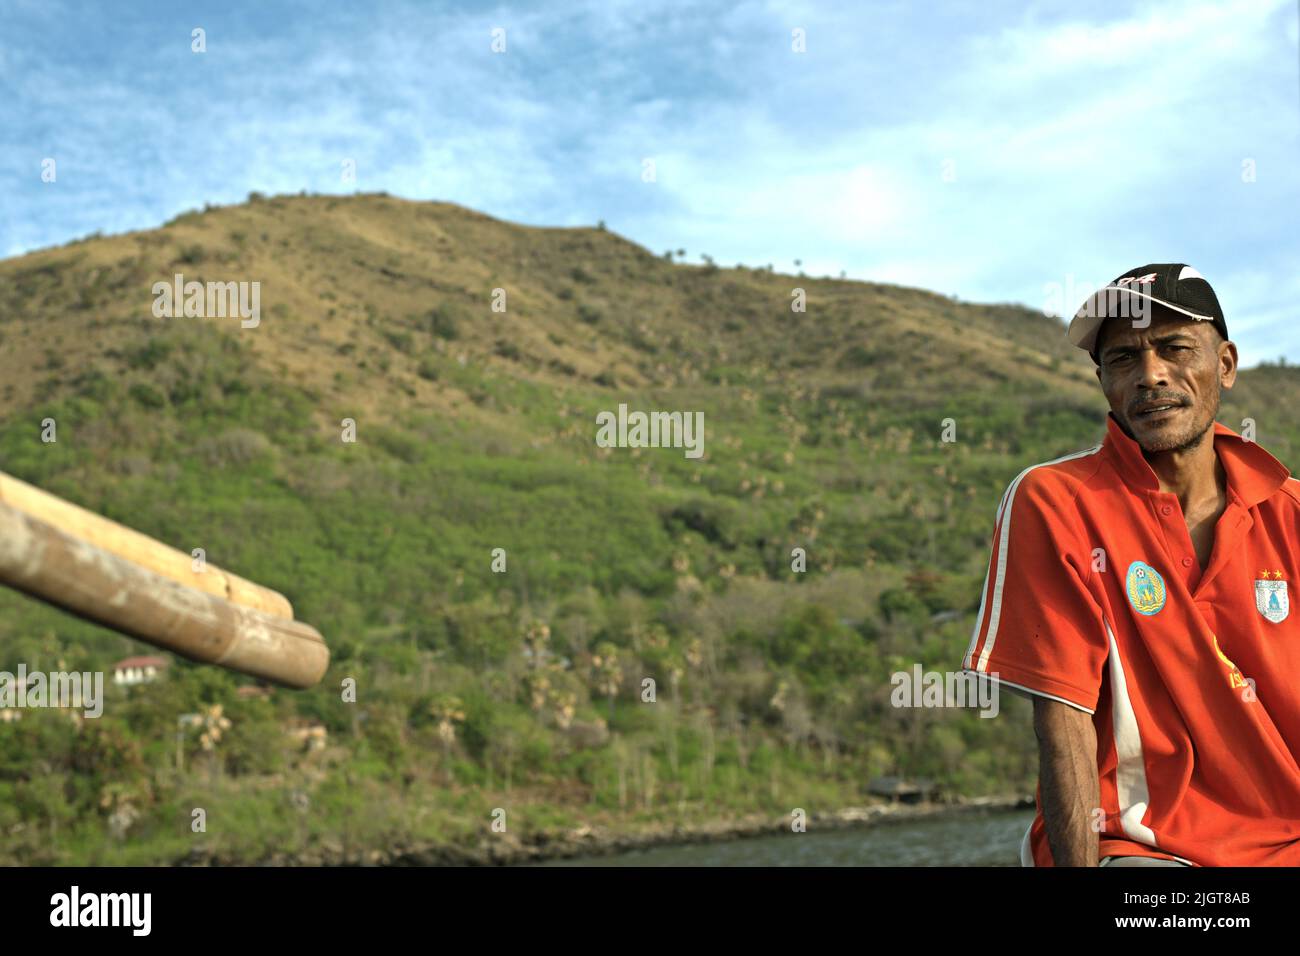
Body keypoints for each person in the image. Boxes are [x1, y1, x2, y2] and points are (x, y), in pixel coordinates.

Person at [963, 263, 1300, 866]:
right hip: (1144, 845)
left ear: (1224, 364)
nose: (1150, 376)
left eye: (1174, 348)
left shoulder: (1290, 510)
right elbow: (1063, 725)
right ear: (1103, 382)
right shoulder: (1057, 502)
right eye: (1123, 359)